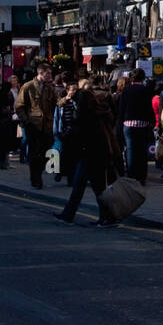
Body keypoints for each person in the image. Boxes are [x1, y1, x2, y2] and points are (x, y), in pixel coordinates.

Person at [56, 86, 120, 226]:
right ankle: (107, 217)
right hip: (98, 155)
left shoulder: (86, 116)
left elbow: (80, 136)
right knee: (97, 189)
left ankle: (70, 214)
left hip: (89, 155)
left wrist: (69, 136)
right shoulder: (99, 113)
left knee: (81, 187)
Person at [14, 62, 56, 189]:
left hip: (47, 125)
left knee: (45, 152)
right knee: (34, 153)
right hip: (33, 124)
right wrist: (26, 121)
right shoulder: (28, 86)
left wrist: (67, 98)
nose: (50, 76)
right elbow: (19, 106)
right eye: (48, 73)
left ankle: (38, 173)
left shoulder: (50, 88)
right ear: (40, 73)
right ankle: (36, 178)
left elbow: (56, 103)